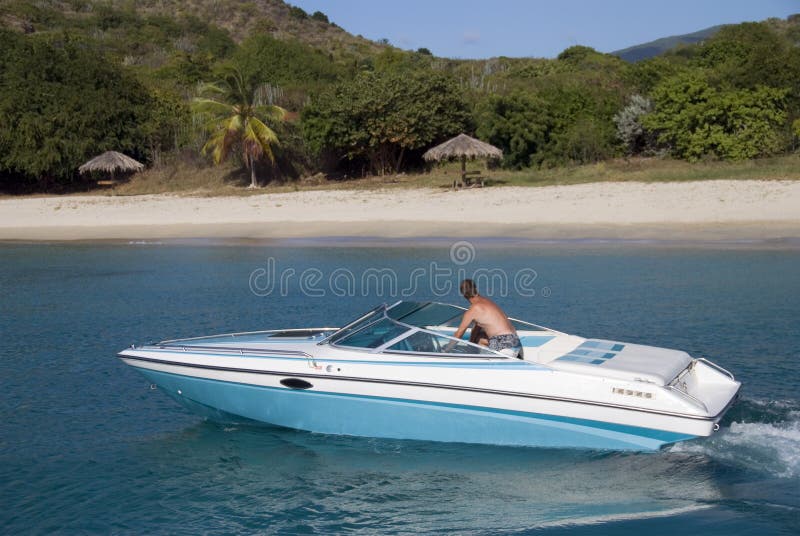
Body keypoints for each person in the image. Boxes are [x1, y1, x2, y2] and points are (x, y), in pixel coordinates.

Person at [447, 279, 522, 358]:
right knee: (480, 338)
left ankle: (481, 362)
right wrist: (471, 345)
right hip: (515, 342)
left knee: (479, 341)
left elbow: (459, 334)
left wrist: (446, 350)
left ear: (464, 294)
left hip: (503, 346)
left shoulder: (473, 309)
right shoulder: (487, 302)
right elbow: (476, 330)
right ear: (475, 289)